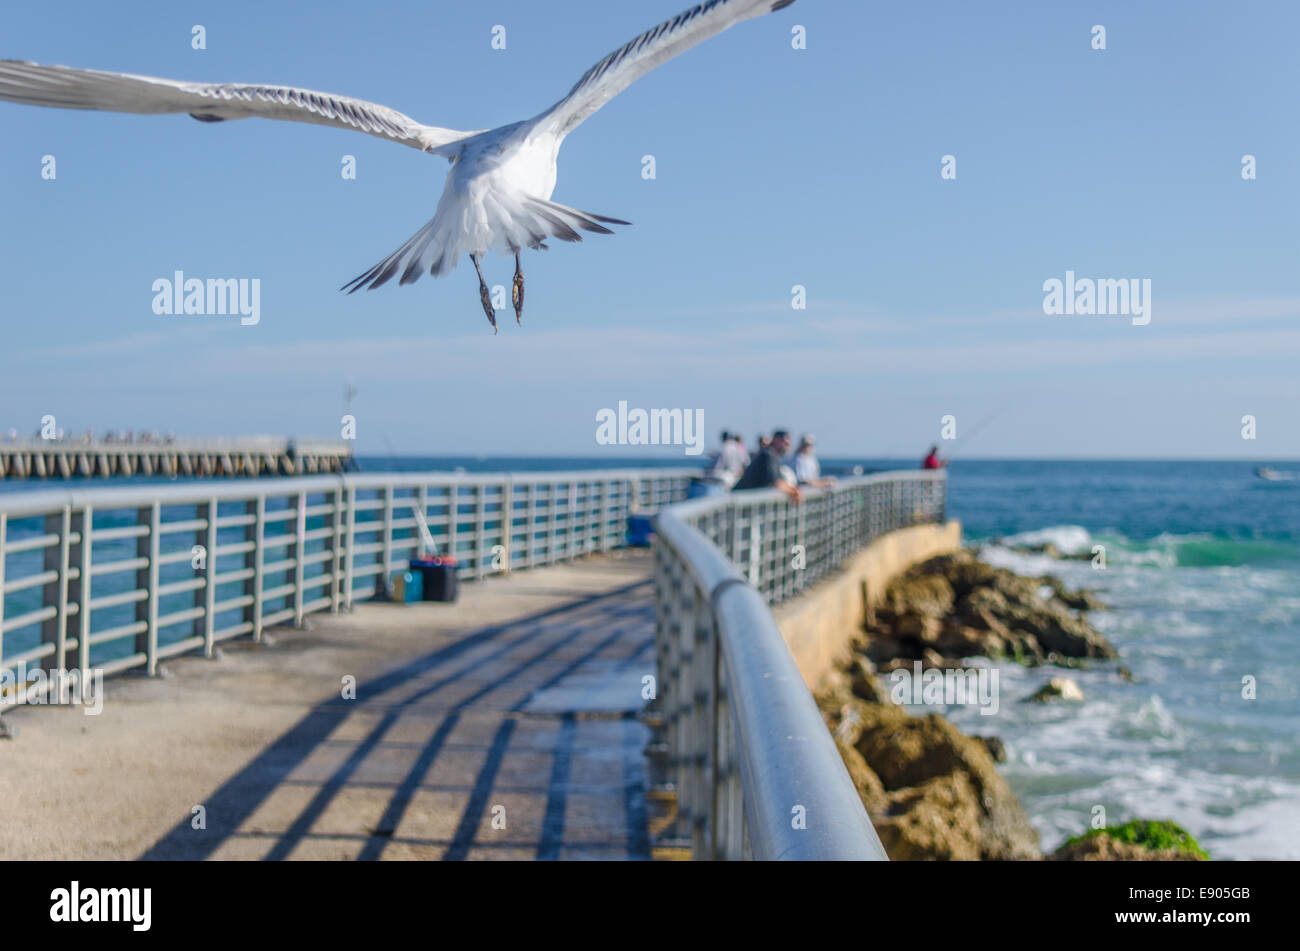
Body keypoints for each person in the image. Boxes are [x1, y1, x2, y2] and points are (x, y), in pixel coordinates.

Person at [734, 430, 801, 502]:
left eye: (788, 444)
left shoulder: (772, 455)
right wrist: (794, 492)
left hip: (746, 498)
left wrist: (794, 490)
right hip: (740, 500)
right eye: (785, 443)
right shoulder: (769, 455)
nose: (787, 446)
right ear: (776, 440)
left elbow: (779, 480)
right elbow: (776, 483)